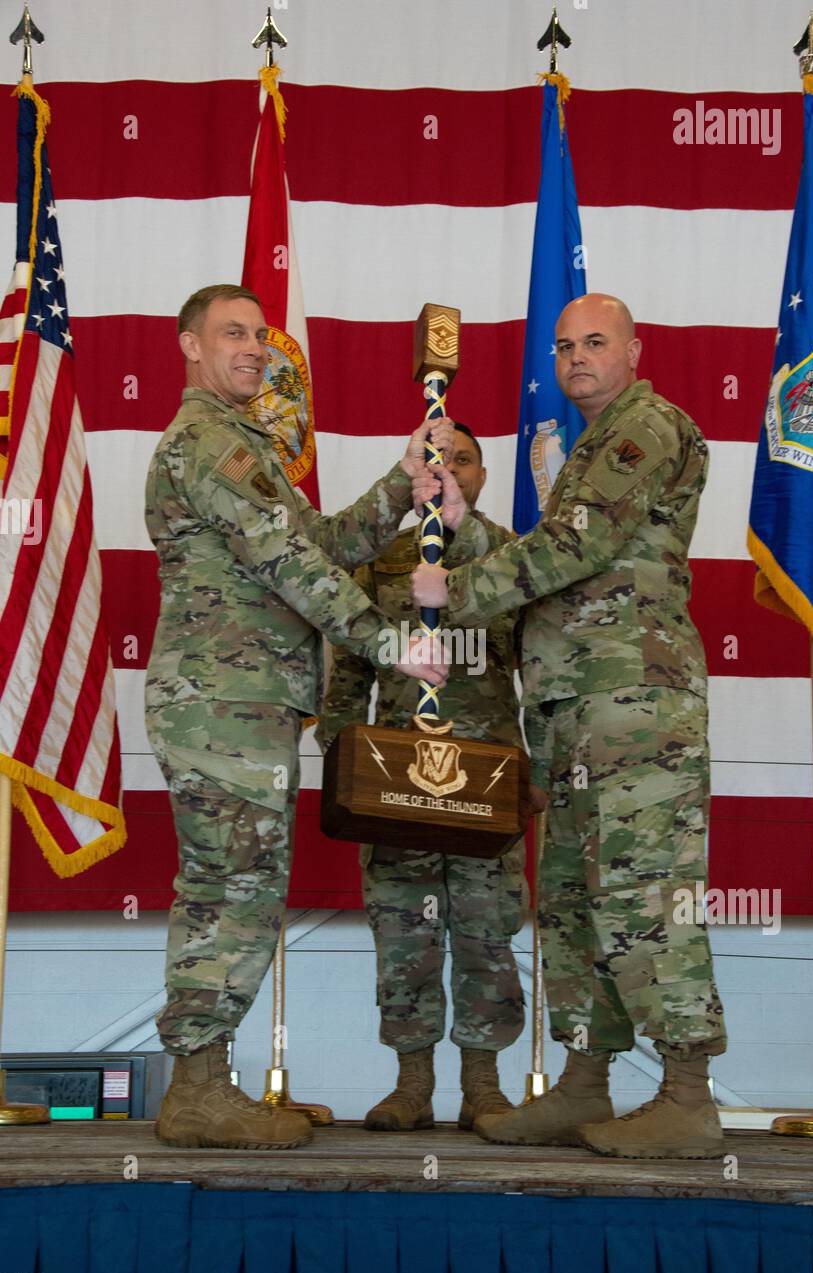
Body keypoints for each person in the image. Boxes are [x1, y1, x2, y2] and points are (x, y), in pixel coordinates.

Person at [145, 283, 478, 1151]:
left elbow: (318, 547)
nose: (254, 348)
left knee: (239, 887)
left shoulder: (247, 447)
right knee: (232, 892)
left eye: (260, 335)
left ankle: (204, 1078)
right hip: (222, 703)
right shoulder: (210, 440)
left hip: (243, 704)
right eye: (231, 334)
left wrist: (402, 486)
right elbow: (291, 567)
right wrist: (385, 642)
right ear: (188, 346)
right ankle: (198, 1086)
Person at [411, 293, 727, 1159]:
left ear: (632, 348)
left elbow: (574, 548)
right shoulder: (587, 445)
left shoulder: (647, 428)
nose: (576, 356)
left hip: (635, 706)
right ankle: (585, 1083)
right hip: (572, 710)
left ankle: (689, 1096)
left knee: (645, 896)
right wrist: (456, 531)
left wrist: (454, 589)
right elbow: (557, 565)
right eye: (562, 346)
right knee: (574, 904)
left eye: (594, 342)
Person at [318, 425, 528, 1133]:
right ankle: (410, 1084)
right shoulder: (378, 562)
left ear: (484, 475)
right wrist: (339, 755)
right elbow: (348, 667)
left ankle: (483, 1086)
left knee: (485, 933)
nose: (449, 474)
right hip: (396, 778)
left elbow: (543, 659)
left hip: (487, 780)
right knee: (404, 930)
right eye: (436, 463)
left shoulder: (508, 558)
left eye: (462, 461)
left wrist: (542, 770)